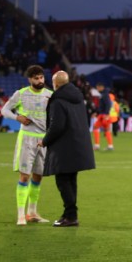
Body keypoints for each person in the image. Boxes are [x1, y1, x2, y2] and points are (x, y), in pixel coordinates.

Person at [40, 71, 96, 227]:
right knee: (71, 181)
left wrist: (44, 141)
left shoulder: (57, 101)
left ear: (55, 83)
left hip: (63, 148)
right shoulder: (78, 97)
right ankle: (69, 214)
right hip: (77, 146)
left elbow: (57, 126)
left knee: (63, 182)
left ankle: (71, 216)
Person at [1, 65, 51, 225]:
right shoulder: (21, 94)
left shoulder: (50, 95)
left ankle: (32, 212)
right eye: (36, 78)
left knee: (38, 176)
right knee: (24, 175)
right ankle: (21, 215)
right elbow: (4, 110)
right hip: (27, 139)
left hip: (44, 140)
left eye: (41, 77)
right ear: (30, 79)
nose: (40, 80)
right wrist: (18, 118)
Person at [92, 84, 118, 151]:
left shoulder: (105, 94)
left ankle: (98, 145)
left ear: (101, 87)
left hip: (104, 115)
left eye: (97, 87)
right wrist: (97, 113)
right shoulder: (104, 94)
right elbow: (103, 105)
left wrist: (106, 114)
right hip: (103, 114)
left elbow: (108, 104)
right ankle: (109, 146)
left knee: (97, 127)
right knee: (105, 129)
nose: (97, 89)